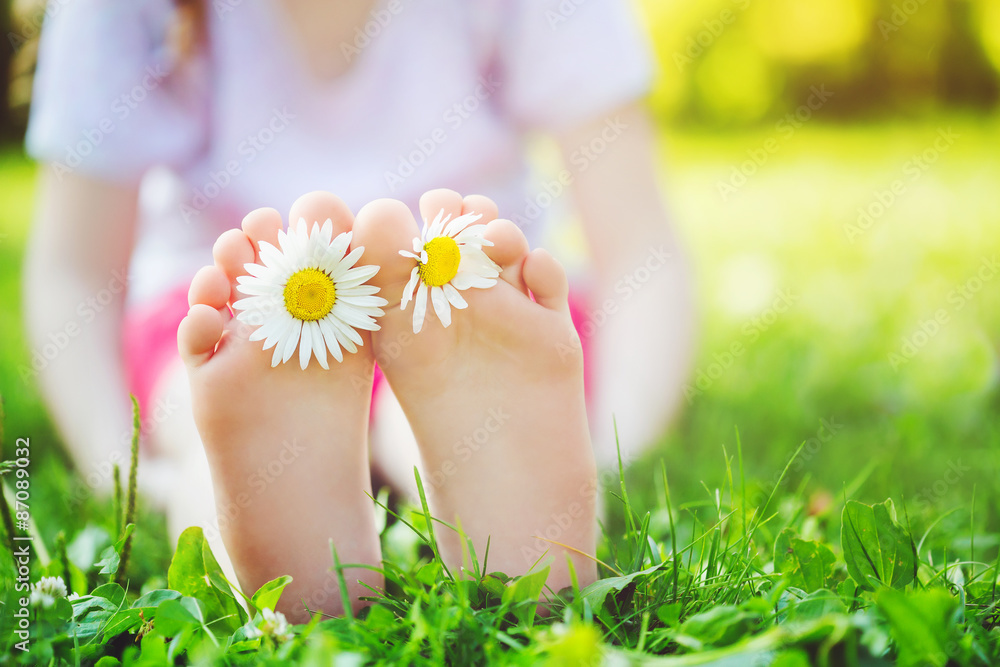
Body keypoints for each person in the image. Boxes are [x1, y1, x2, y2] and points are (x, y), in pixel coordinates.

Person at [23, 0, 695, 619]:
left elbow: (643, 259)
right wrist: (122, 467)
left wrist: (610, 443)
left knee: (215, 421)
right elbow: (72, 276)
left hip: (469, 290)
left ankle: (271, 529)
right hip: (252, 303)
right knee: (215, 398)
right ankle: (471, 499)